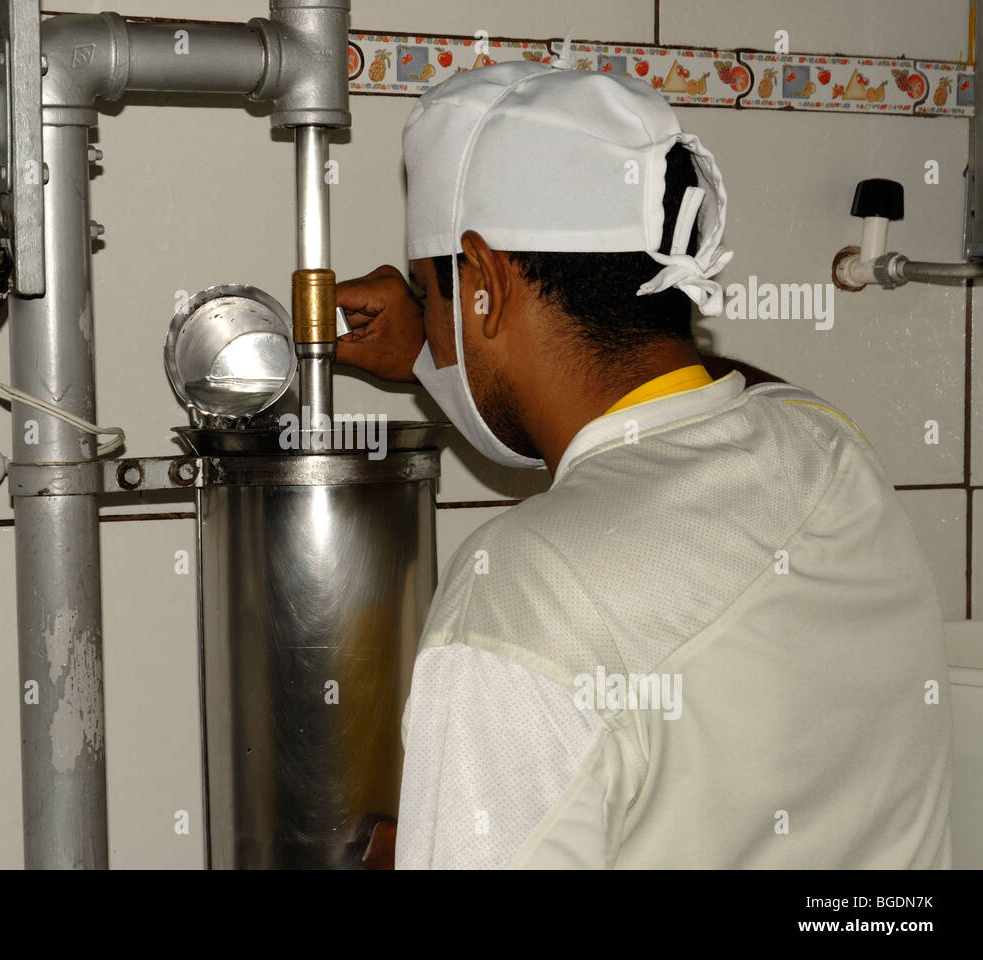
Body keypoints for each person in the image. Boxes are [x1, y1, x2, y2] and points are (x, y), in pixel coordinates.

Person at [335, 61, 953, 869]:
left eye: (435, 290)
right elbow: (716, 397)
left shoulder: (521, 589)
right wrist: (433, 345)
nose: (435, 320)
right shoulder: (834, 454)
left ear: (484, 280)